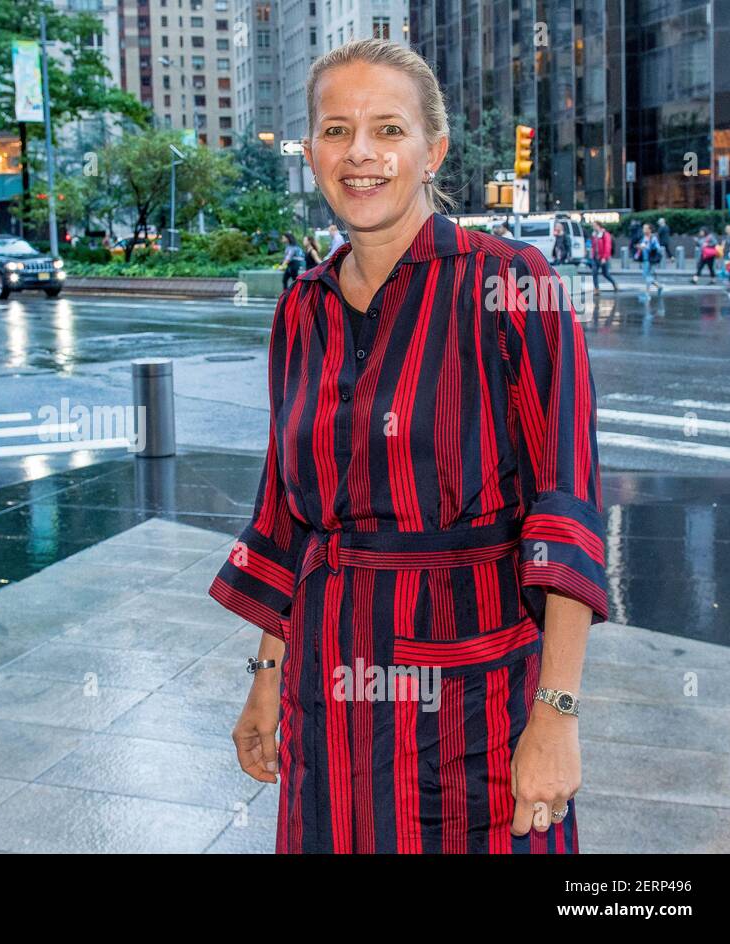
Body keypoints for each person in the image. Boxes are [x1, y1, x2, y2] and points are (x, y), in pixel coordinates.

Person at [210, 37, 607, 855]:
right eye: (335, 130)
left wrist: (557, 714)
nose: (360, 154)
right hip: (325, 695)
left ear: (435, 150)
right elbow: (287, 518)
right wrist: (265, 680)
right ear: (311, 149)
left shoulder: (514, 282)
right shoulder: (301, 311)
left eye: (388, 130)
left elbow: (566, 509)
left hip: (469, 706)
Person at [634, 222, 663, 296]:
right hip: (644, 259)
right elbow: (641, 247)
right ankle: (657, 287)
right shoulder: (643, 238)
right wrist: (639, 248)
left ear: (650, 230)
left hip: (650, 259)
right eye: (643, 228)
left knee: (646, 275)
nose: (644, 230)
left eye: (645, 228)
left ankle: (649, 292)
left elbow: (657, 248)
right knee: (647, 275)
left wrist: (646, 248)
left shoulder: (653, 238)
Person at [589, 223, 618, 293]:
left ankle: (614, 283)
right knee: (594, 272)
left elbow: (607, 247)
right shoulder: (594, 235)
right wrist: (591, 254)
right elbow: (593, 246)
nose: (593, 227)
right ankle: (596, 288)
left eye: (595, 226)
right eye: (593, 226)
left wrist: (604, 257)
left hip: (603, 258)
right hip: (595, 257)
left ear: (599, 226)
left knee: (605, 273)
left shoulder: (605, 234)